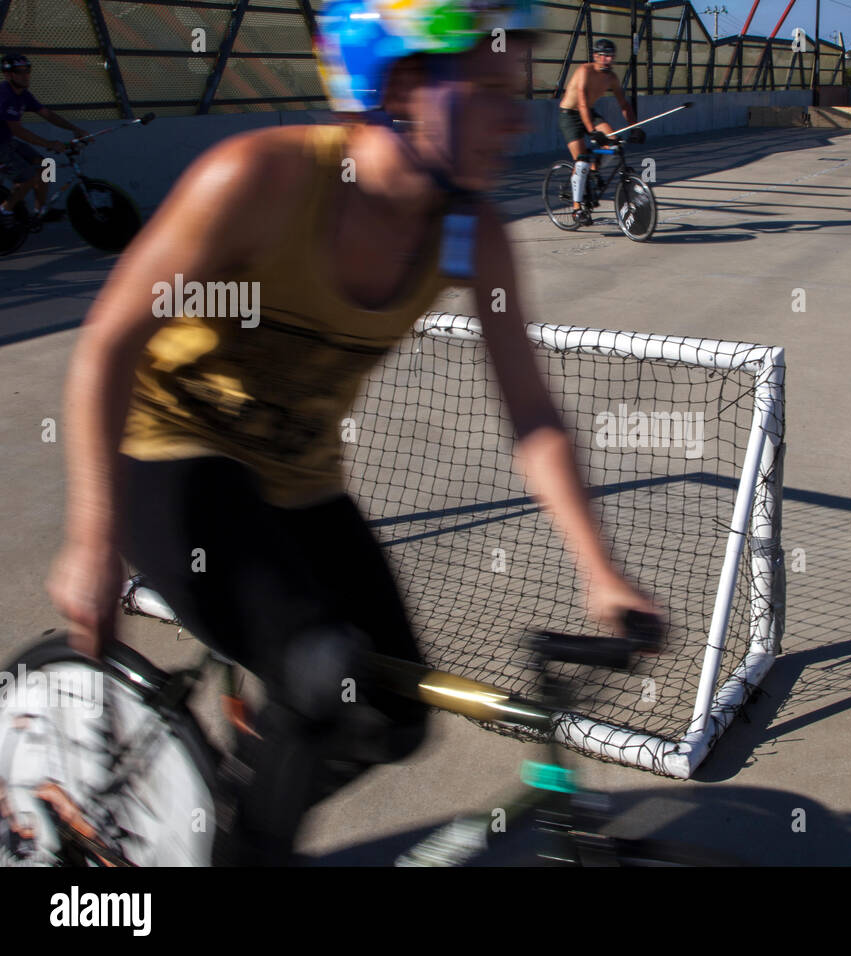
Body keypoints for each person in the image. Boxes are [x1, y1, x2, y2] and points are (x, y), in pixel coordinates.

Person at [45, 0, 658, 865]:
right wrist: (91, 537)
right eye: (485, 87)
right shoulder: (262, 180)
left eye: (515, 87)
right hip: (172, 454)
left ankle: (247, 792)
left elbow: (530, 410)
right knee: (321, 673)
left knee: (396, 721)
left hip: (298, 479)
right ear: (401, 86)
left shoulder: (467, 234)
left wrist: (603, 571)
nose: (513, 113)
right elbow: (107, 342)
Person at [0, 53, 89, 223]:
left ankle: (40, 210)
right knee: (28, 177)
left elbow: (48, 114)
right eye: (19, 72)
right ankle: (5, 210)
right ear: (8, 75)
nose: (25, 75)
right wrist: (49, 143)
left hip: (7, 141)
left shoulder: (23, 95)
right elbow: (17, 130)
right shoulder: (5, 95)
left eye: (27, 71)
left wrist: (74, 129)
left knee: (47, 166)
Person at [558, 38, 635, 224]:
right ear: (596, 56)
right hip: (570, 114)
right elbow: (582, 102)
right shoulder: (585, 71)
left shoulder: (612, 78)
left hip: (589, 113)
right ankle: (577, 209)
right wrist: (592, 132)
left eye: (611, 56)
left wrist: (635, 127)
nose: (608, 60)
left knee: (614, 142)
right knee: (582, 161)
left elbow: (624, 104)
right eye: (604, 56)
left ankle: (594, 171)